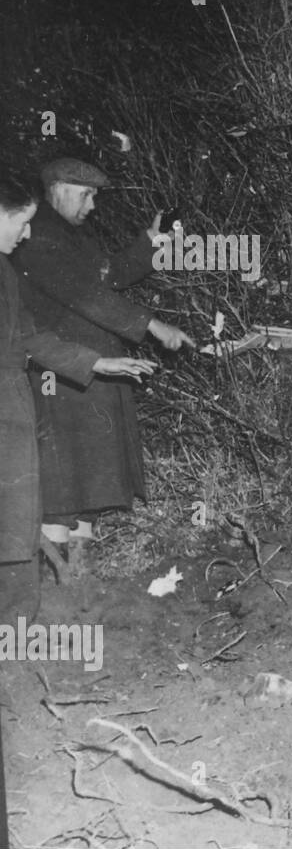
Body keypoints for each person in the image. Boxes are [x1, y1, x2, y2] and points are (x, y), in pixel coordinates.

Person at [11, 158, 193, 575]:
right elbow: (85, 296)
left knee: (90, 485)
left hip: (96, 372)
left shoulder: (73, 235)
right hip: (61, 373)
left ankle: (77, 580)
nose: (92, 205)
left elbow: (109, 276)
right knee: (62, 490)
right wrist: (152, 324)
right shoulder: (35, 236)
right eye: (87, 194)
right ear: (58, 187)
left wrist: (150, 241)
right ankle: (56, 589)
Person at [0, 174, 155, 620]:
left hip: (13, 407)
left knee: (17, 522)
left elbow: (29, 336)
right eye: (21, 223)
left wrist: (96, 364)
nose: (27, 234)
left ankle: (17, 632)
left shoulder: (6, 270)